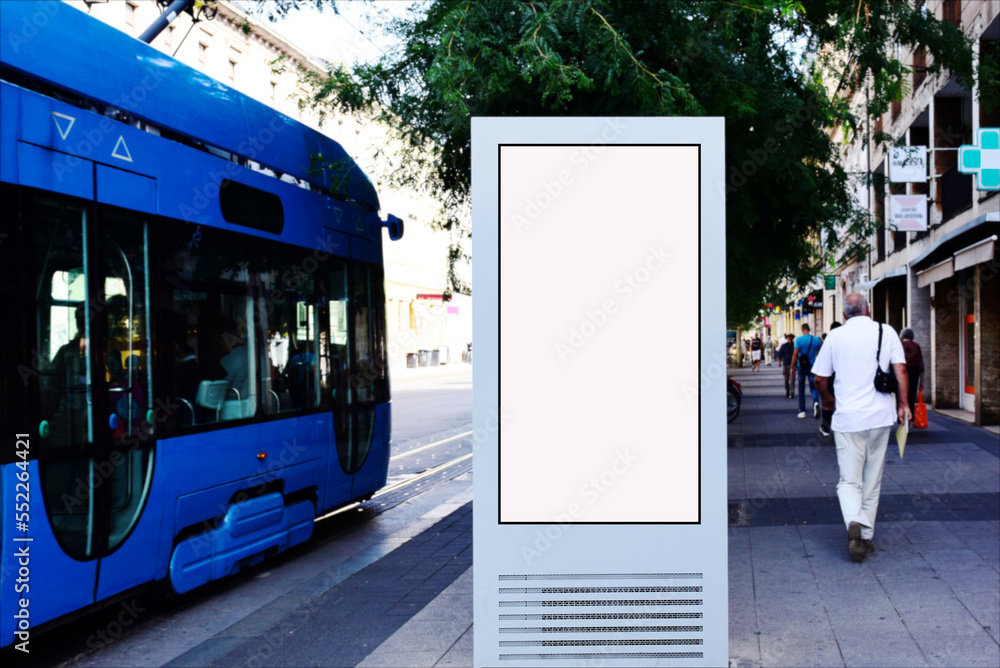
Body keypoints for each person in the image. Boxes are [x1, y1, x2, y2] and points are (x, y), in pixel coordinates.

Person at [812, 294, 908, 562]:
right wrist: (903, 405)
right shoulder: (886, 331)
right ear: (868, 310)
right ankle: (865, 537)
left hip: (848, 419)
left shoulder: (836, 337)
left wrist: (829, 401)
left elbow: (820, 379)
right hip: (880, 417)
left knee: (849, 481)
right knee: (873, 479)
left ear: (844, 315)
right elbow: (900, 370)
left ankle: (854, 521)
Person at [790, 323, 822, 419]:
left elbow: (795, 354)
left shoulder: (798, 340)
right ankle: (816, 402)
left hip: (801, 366)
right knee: (814, 387)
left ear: (802, 329)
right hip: (812, 365)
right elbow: (821, 352)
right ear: (809, 329)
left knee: (801, 388)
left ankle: (802, 411)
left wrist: (792, 367)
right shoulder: (816, 339)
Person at [819, 321, 842, 437]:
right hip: (844, 377)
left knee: (828, 404)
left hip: (831, 377)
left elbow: (820, 375)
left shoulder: (829, 341)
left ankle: (826, 428)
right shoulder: (846, 341)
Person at [900, 328, 924, 419]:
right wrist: (922, 381)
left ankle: (901, 419)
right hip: (914, 373)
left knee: (901, 396)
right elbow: (921, 364)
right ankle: (909, 419)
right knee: (911, 396)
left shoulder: (899, 345)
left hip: (902, 372)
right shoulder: (916, 346)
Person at [777, 333, 796, 398]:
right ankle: (787, 390)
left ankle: (792, 392)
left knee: (792, 380)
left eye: (791, 337)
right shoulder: (784, 346)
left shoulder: (795, 345)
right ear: (787, 338)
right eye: (788, 337)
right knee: (786, 380)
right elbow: (779, 354)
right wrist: (779, 362)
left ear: (792, 338)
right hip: (785, 364)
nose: (790, 338)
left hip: (793, 365)